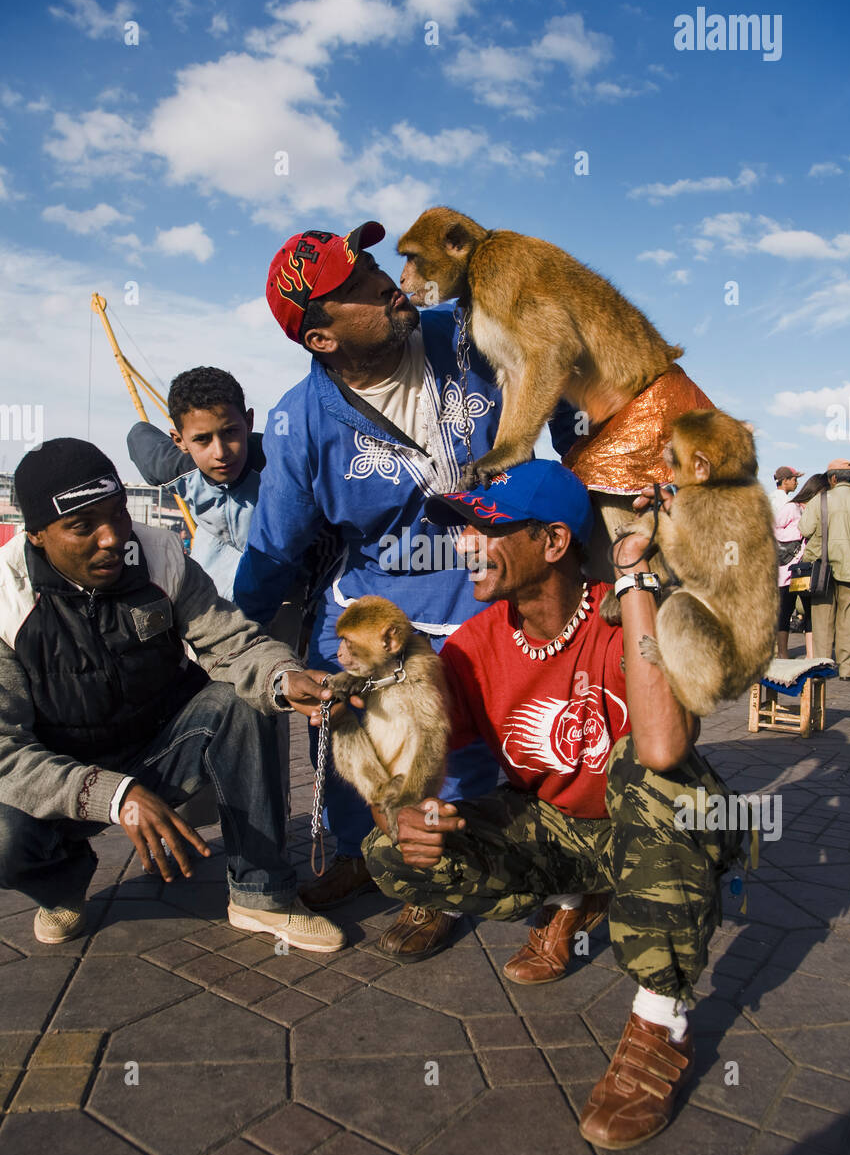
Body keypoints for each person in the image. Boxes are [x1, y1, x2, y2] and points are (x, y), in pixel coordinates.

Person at [362, 461, 745, 1149]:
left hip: (650, 828)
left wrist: (633, 578)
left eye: (488, 529)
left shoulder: (628, 611)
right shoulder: (475, 646)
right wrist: (403, 811)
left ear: (554, 543)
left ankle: (660, 1024)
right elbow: (403, 759)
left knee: (655, 781)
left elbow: (662, 748)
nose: (465, 545)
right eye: (464, 530)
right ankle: (573, 894)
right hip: (562, 826)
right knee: (390, 851)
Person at [233, 222, 503, 916]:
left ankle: (436, 887)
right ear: (321, 337)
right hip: (367, 609)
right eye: (354, 287)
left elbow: (567, 377)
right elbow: (274, 550)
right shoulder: (301, 424)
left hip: (475, 601)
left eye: (374, 266)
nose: (385, 282)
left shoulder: (470, 336)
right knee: (352, 741)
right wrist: (232, 643)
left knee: (455, 758)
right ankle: (357, 855)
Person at [0, 438, 349, 951]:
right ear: (36, 536)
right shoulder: (7, 601)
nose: (111, 538)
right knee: (5, 838)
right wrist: (113, 796)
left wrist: (283, 676)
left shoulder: (161, 554)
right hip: (65, 772)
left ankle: (261, 894)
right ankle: (61, 886)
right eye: (82, 527)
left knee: (239, 699)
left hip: (161, 748)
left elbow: (231, 642)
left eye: (118, 513)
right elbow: (5, 753)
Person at [127, 367, 263, 602]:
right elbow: (138, 434)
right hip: (210, 594)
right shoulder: (175, 468)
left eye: (230, 432)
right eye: (202, 439)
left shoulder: (279, 465)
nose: (220, 453)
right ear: (179, 441)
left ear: (249, 422)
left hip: (278, 596)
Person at [799, 458, 850, 679]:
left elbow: (805, 528)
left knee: (822, 621)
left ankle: (823, 665)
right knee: (849, 619)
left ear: (833, 478)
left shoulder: (821, 500)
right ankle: (848, 669)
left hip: (823, 569)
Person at [775, 473, 825, 658]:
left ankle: (811, 655)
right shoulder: (792, 508)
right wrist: (795, 536)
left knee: (809, 611)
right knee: (785, 611)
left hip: (805, 569)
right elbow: (774, 530)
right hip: (786, 568)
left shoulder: (811, 511)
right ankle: (783, 653)